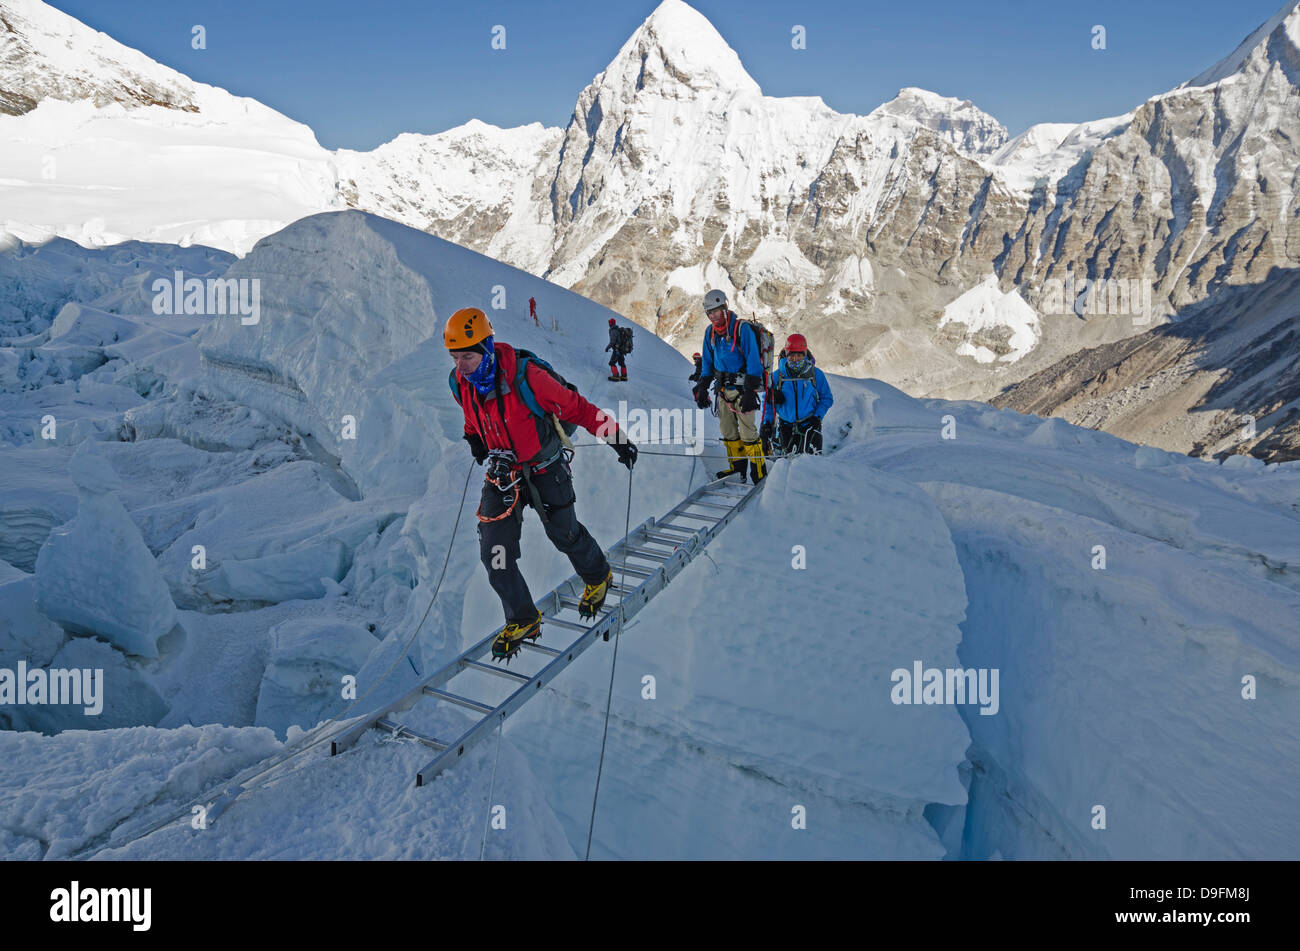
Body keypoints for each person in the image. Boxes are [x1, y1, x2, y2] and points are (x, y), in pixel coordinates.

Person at [446, 307, 638, 660]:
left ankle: (597, 576)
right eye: (455, 357)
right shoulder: (462, 383)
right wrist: (473, 438)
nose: (461, 366)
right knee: (495, 552)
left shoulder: (527, 377)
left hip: (545, 467)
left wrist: (616, 438)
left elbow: (577, 408)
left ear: (487, 348)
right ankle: (523, 618)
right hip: (503, 473)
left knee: (564, 533)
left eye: (468, 357)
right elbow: (473, 418)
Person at [692, 289, 765, 483]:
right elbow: (707, 361)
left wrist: (751, 391)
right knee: (728, 431)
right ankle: (737, 467)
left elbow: (753, 362)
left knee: (748, 432)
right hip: (722, 390)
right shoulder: (710, 333)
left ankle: (758, 470)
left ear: (725, 307)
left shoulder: (742, 330)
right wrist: (702, 386)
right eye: (710, 313)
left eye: (716, 311)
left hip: (743, 390)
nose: (713, 316)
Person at [762, 333, 833, 455]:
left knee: (813, 464)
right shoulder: (776, 377)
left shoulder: (815, 375)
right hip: (786, 427)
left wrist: (817, 417)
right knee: (788, 464)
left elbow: (827, 398)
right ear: (786, 355)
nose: (795, 359)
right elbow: (768, 403)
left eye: (799, 355)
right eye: (792, 355)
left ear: (805, 354)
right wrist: (767, 423)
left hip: (810, 425)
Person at [605, 317, 628, 381]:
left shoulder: (613, 331)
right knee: (622, 362)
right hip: (621, 349)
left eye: (609, 322)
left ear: (611, 323)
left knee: (612, 362)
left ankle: (615, 376)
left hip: (617, 349)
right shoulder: (618, 329)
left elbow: (613, 342)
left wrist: (607, 348)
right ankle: (624, 376)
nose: (609, 324)